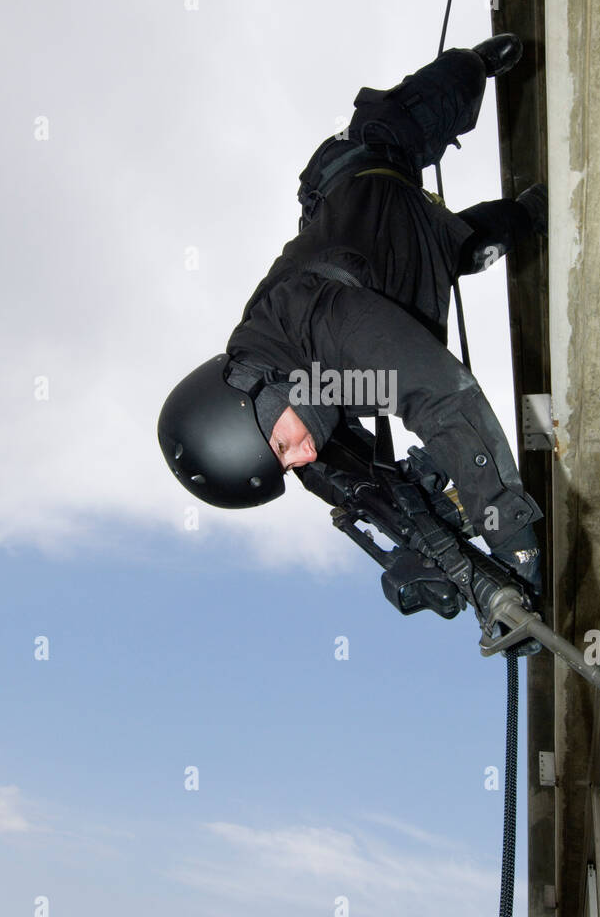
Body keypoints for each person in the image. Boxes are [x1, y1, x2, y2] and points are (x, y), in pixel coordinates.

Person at [158, 35, 547, 593]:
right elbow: (346, 482)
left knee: (415, 112)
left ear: (257, 399)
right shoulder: (291, 406)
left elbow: (439, 394)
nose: (303, 457)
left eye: (285, 449)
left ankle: (474, 64)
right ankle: (536, 209)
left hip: (362, 171)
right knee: (468, 244)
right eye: (287, 467)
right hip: (412, 263)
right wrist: (444, 560)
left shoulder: (309, 317)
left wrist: (513, 541)